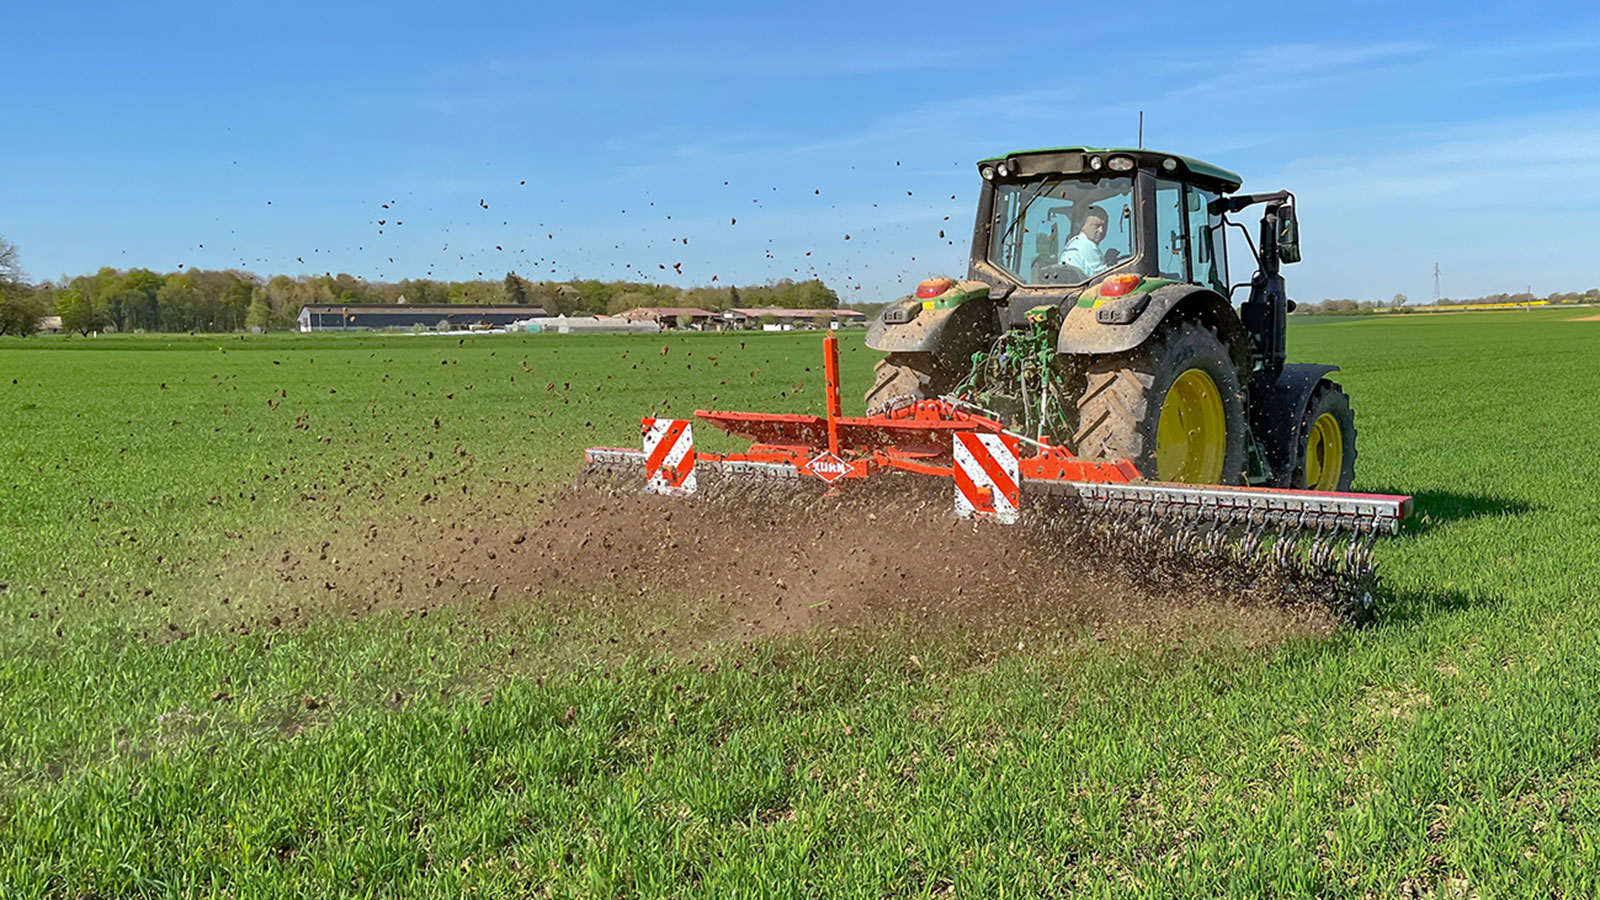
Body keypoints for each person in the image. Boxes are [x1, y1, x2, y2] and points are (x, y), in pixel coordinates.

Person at [1059, 207, 1111, 278]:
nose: (1101, 230)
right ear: (1083, 225)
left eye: (1104, 226)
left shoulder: (1073, 243)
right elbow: (1103, 276)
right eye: (1097, 226)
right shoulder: (1088, 246)